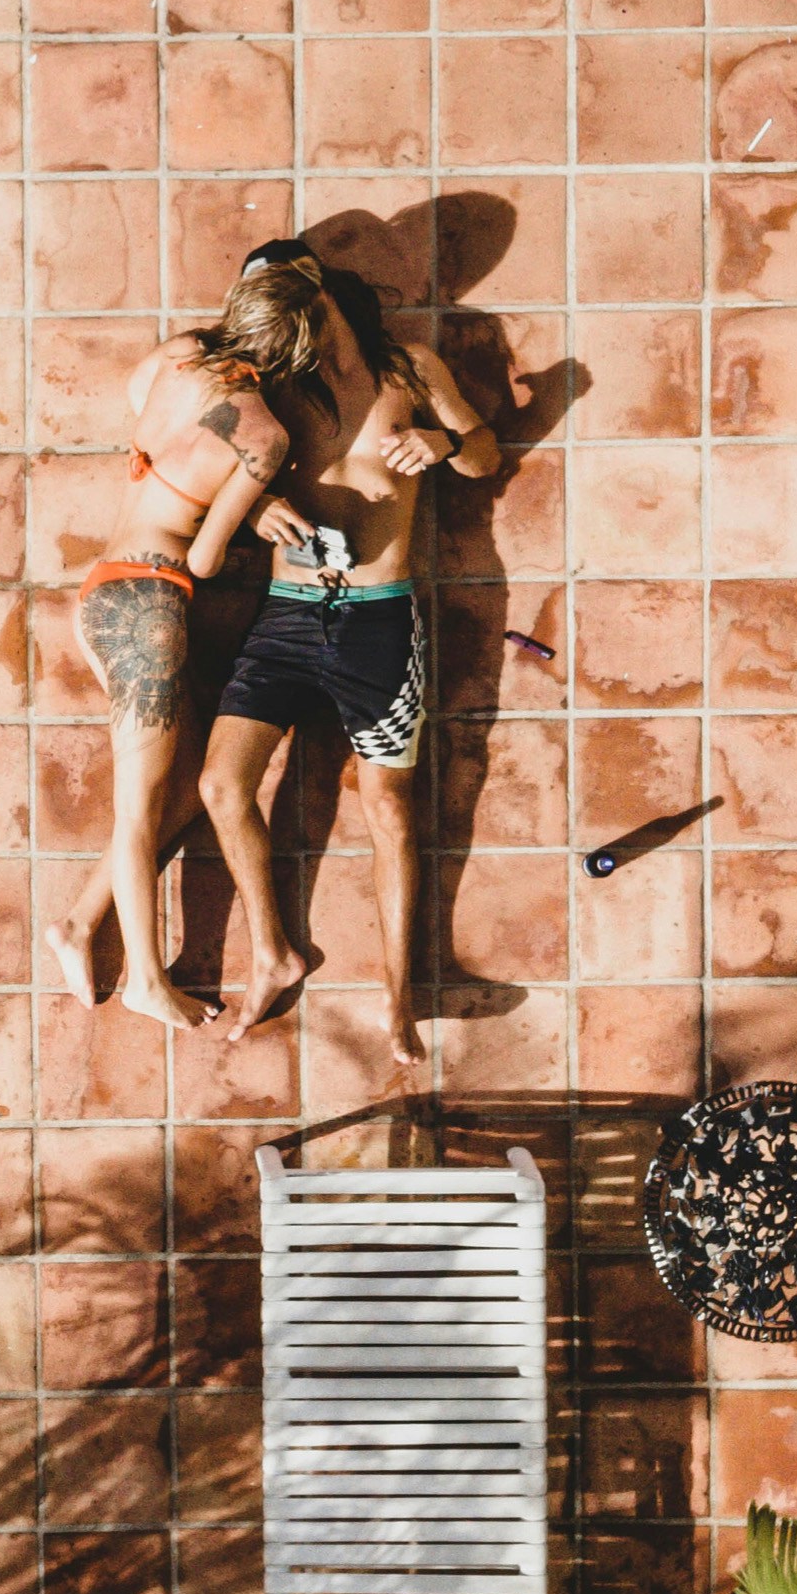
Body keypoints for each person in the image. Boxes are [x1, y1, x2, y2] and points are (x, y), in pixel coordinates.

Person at [200, 248, 502, 1068]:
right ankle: (275, 953)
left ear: (318, 295)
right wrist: (259, 506)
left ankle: (399, 1002)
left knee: (392, 812)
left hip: (378, 618)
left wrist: (443, 442)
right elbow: (193, 463)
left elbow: (487, 457)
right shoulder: (263, 377)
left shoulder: (409, 366)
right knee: (222, 785)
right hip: (288, 614)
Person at [45, 263, 325, 1031]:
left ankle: (76, 924)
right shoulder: (266, 434)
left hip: (113, 578)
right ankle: (142, 977)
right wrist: (258, 500)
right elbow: (205, 557)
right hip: (153, 600)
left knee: (179, 798)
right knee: (140, 810)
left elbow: (145, 416)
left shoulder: (178, 356)